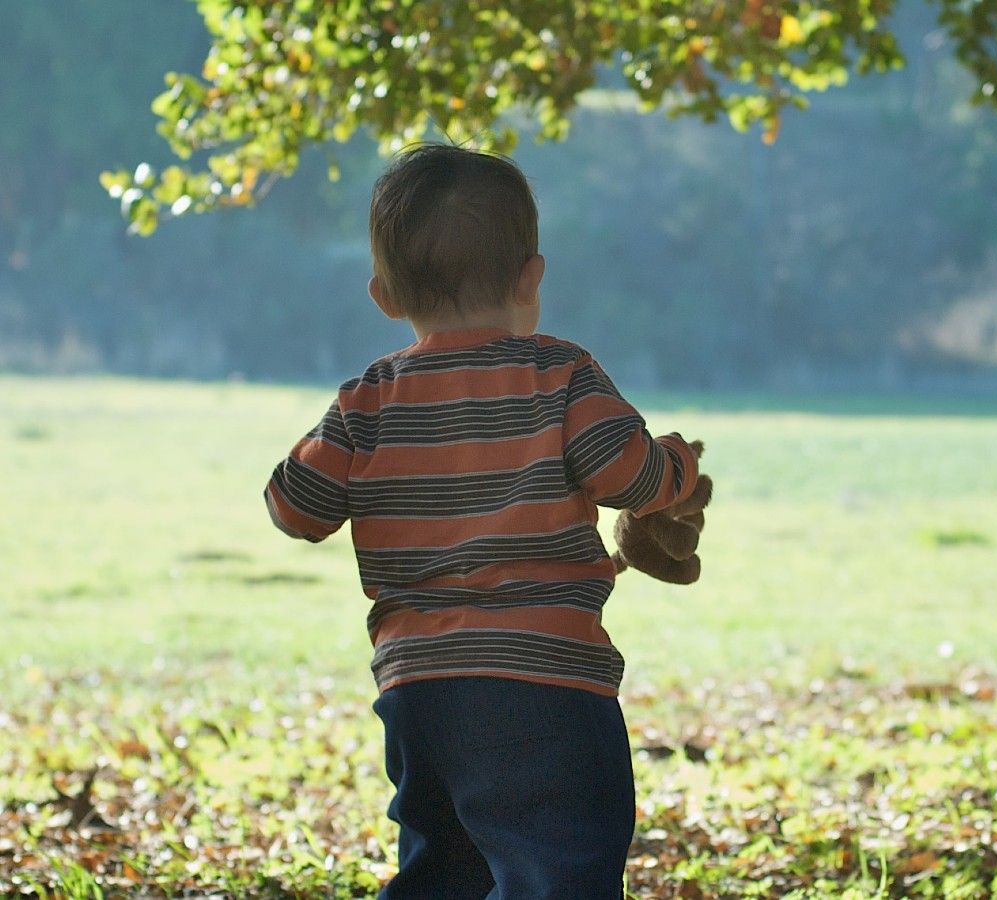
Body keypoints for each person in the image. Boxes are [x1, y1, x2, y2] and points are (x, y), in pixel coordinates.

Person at [263, 143, 701, 898]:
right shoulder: (559, 372)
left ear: (383, 295)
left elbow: (294, 507)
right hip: (547, 682)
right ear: (531, 276)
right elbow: (626, 473)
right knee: (561, 866)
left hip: (420, 691)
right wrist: (678, 467)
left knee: (441, 869)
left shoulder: (366, 400)